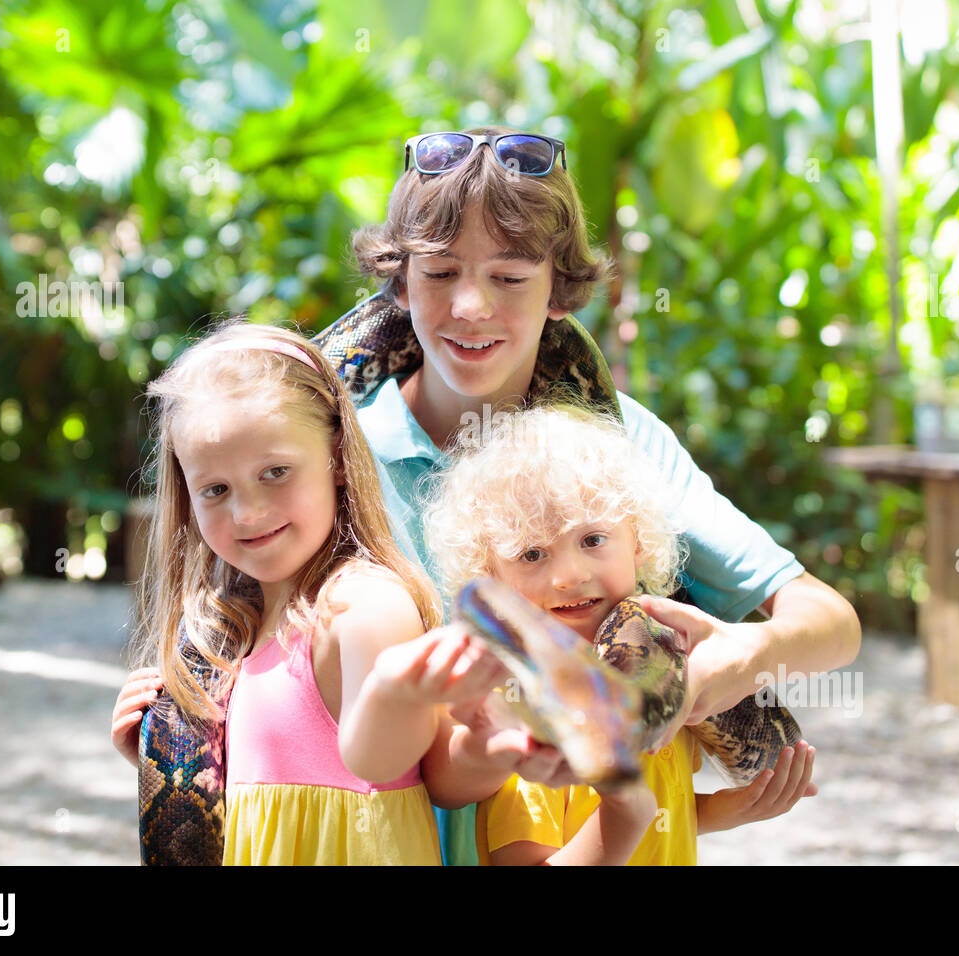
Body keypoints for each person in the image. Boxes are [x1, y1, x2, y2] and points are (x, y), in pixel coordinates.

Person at [315, 126, 860, 864]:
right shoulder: (325, 449)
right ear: (399, 282)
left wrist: (748, 655)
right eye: (440, 273)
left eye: (510, 278)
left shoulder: (617, 445)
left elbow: (831, 622)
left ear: (559, 294)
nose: (471, 305)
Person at [110, 321, 502, 865]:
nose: (247, 513)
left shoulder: (362, 607)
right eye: (215, 489)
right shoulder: (234, 627)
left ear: (338, 458)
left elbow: (394, 764)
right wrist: (161, 757)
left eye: (275, 472)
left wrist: (482, 746)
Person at [423, 403, 817, 864]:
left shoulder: (670, 665)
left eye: (592, 540)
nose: (569, 576)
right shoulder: (529, 708)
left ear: (639, 542)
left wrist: (724, 811)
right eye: (531, 554)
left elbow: (664, 812)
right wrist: (624, 814)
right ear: (488, 575)